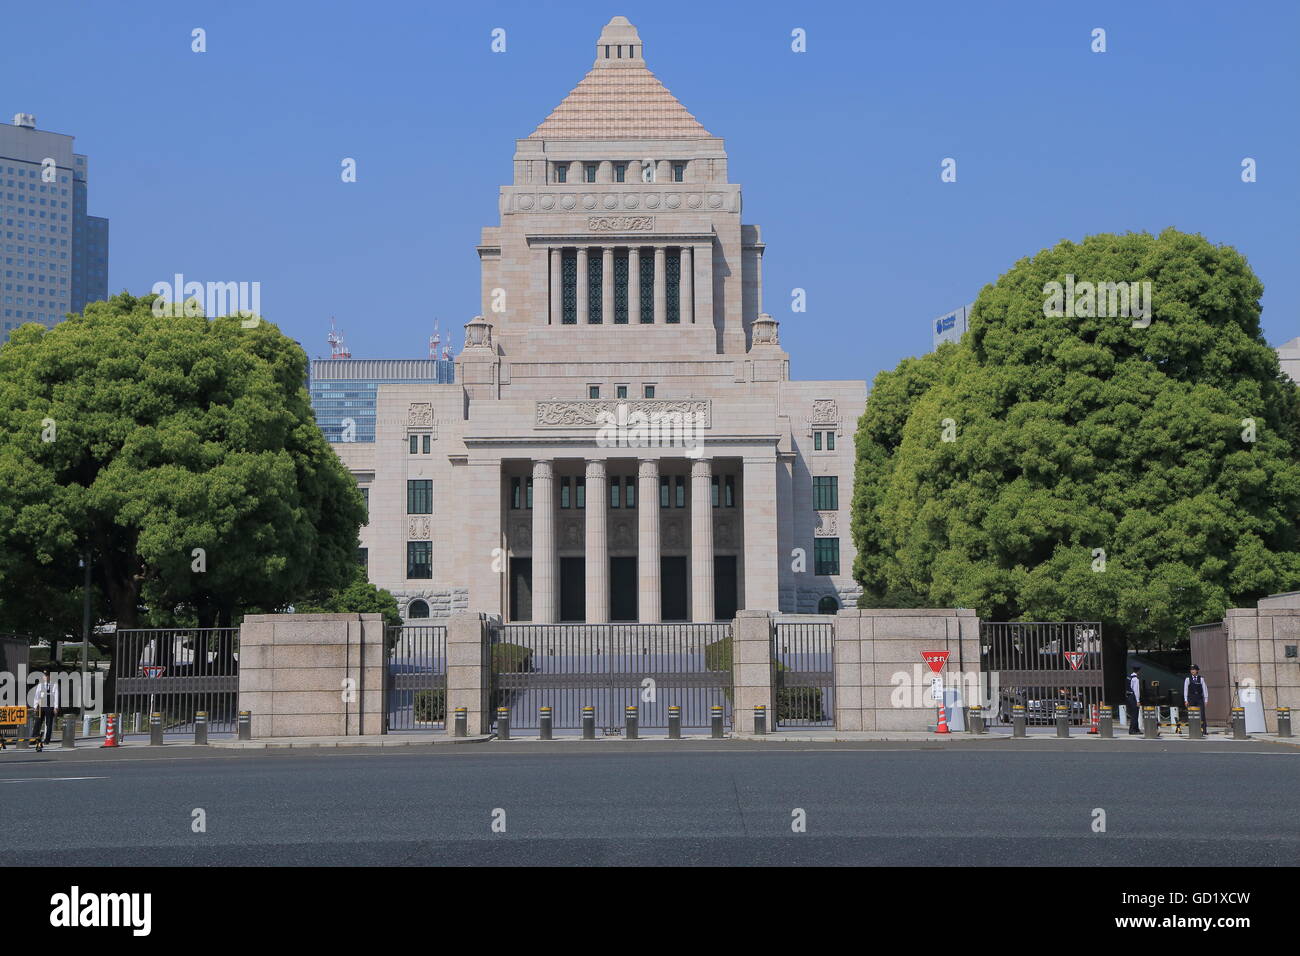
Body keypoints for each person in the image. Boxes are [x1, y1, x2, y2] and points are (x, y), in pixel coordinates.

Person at [31, 672, 60, 745]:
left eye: (47, 676)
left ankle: (47, 739)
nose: (46, 677)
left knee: (49, 723)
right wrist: (35, 706)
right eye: (44, 676)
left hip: (50, 706)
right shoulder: (40, 685)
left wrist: (56, 707)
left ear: (50, 677)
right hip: (41, 706)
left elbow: (56, 696)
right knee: (37, 722)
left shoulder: (54, 685)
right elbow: (36, 696)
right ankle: (34, 739)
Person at [1183, 664, 1209, 735]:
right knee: (1192, 715)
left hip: (1199, 699)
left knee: (1202, 714)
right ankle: (1193, 729)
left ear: (1197, 670)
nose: (1192, 671)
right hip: (1191, 699)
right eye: (1191, 670)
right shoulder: (1188, 679)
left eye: (1194, 669)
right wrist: (1186, 700)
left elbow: (1205, 689)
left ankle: (1204, 730)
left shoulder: (1201, 679)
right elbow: (1185, 690)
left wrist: (1206, 700)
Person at [1126, 665, 1143, 735]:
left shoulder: (1129, 677)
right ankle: (1133, 730)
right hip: (1133, 697)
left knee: (1133, 714)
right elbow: (1136, 691)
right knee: (1135, 714)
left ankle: (1136, 729)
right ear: (1138, 671)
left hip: (1128, 697)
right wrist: (1138, 701)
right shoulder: (1136, 679)